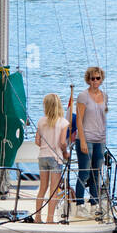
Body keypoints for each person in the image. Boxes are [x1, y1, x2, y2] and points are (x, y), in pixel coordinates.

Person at [33, 92, 69, 224]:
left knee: (42, 188)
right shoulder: (63, 122)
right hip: (56, 158)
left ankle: (37, 217)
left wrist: (45, 145)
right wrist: (65, 152)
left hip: (43, 157)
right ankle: (49, 219)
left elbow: (37, 141)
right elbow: (63, 143)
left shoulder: (41, 121)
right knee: (53, 190)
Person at [76, 66, 107, 209]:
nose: (95, 81)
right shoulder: (83, 96)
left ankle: (94, 203)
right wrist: (82, 140)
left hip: (100, 139)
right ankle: (79, 204)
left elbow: (102, 118)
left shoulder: (105, 96)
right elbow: (79, 120)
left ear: (101, 79)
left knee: (96, 173)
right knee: (84, 173)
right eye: (92, 78)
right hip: (86, 138)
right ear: (88, 80)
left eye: (97, 78)